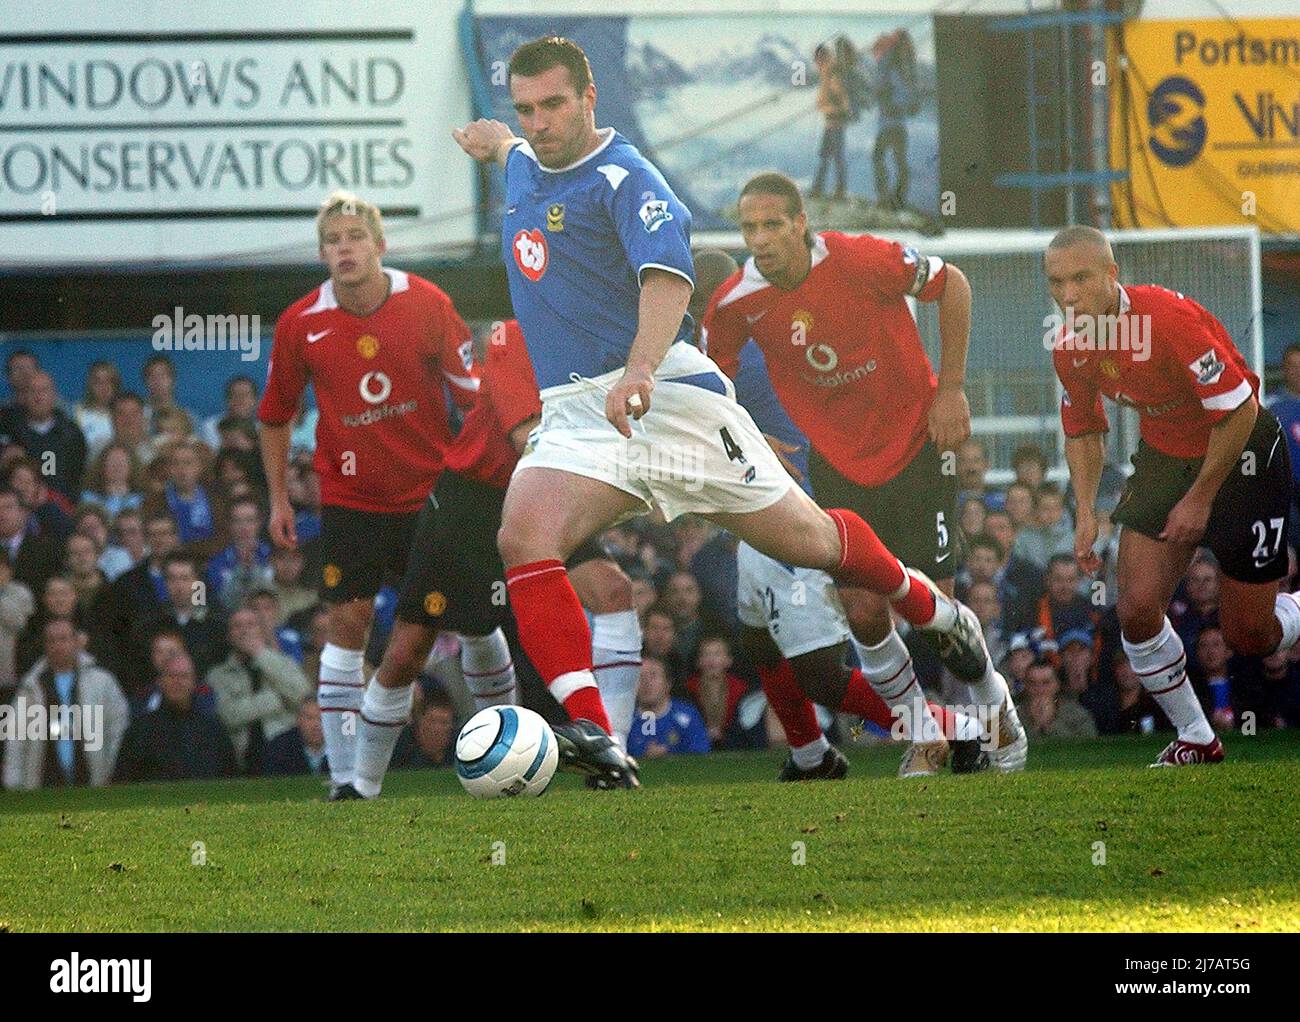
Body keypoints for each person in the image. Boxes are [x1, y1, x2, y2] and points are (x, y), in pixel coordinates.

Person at [454, 37, 1006, 785]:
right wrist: (495, 140)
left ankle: (933, 611)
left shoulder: (627, 177)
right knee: (523, 535)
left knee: (813, 542)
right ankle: (593, 733)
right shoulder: (524, 160)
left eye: (555, 103)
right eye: (527, 108)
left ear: (590, 98)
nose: (541, 121)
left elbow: (668, 280)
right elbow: (510, 147)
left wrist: (642, 368)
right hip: (581, 417)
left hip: (669, 399)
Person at [702, 172, 1024, 769]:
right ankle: (925, 737)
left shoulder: (857, 257)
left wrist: (950, 388)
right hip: (838, 464)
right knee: (864, 613)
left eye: (772, 224)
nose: (761, 238)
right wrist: (750, 437)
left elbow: (953, 284)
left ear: (800, 223)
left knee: (936, 616)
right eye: (749, 227)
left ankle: (993, 707)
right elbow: (710, 385)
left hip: (916, 445)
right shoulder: (734, 303)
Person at [1048, 224, 1300, 765]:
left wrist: (1201, 500)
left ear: (1112, 276)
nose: (1068, 295)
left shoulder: (1165, 320)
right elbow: (1086, 430)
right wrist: (1087, 512)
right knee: (1135, 611)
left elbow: (1239, 411)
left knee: (1250, 634)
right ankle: (1196, 736)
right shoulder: (1070, 348)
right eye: (1057, 282)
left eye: (1080, 279)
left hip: (1244, 453)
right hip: (1166, 461)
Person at [258, 189, 479, 800]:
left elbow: (474, 397)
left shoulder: (428, 303)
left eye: (355, 237)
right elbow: (274, 416)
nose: (344, 249)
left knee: (456, 630)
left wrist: (479, 480)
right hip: (351, 500)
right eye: (333, 241)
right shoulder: (301, 322)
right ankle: (345, 778)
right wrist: (279, 499)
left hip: (429, 500)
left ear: (380, 245)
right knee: (345, 624)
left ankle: (504, 746)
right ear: (323, 254)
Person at [3, 618, 129, 790]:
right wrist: (14, 783)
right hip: (43, 786)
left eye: (63, 639)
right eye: (52, 640)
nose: (58, 645)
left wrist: (112, 776)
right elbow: (16, 738)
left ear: (77, 641)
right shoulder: (31, 687)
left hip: (93, 784)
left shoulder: (102, 682)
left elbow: (117, 730)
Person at [206, 606, 313, 775]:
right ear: (229, 635)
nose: (244, 631)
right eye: (237, 626)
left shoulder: (285, 663)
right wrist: (278, 699)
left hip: (284, 753)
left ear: (263, 631)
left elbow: (302, 696)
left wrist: (260, 654)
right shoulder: (218, 675)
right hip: (240, 755)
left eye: (251, 625)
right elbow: (228, 716)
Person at [114, 652, 237, 782]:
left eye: (184, 676)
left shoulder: (213, 730)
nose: (177, 682)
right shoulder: (140, 730)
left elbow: (230, 779)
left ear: (194, 682)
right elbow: (123, 780)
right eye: (171, 676)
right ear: (160, 681)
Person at [626, 656, 710, 758]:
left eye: (653, 675)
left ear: (668, 683)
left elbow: (701, 753)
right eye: (640, 676)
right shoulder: (624, 720)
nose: (646, 682)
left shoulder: (688, 716)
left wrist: (670, 755)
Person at [871, 29, 918, 211]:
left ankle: (888, 199)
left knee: (880, 158)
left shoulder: (890, 65)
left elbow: (898, 91)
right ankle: (897, 199)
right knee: (898, 160)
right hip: (895, 123)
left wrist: (889, 101)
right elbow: (905, 93)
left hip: (890, 123)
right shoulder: (899, 64)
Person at [1018, 657, 1098, 739]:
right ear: (1025, 686)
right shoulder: (1014, 715)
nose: (1039, 689)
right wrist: (1034, 727)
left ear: (1057, 685)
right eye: (1032, 683)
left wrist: (1050, 726)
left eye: (1046, 683)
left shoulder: (1077, 714)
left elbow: (1088, 744)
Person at [810, 44, 850, 201]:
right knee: (826, 156)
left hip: (835, 123)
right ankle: (818, 189)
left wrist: (826, 107)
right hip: (830, 123)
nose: (817, 64)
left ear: (822, 58)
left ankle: (837, 192)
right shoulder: (828, 72)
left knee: (835, 158)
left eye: (818, 60)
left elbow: (843, 103)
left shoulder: (833, 73)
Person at [263, 697, 330, 777]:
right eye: (309, 718)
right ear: (298, 720)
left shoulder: (346, 748)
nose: (316, 725)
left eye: (322, 719)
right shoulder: (279, 748)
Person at [81, 441, 146, 520]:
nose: (117, 467)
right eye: (112, 462)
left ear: (132, 466)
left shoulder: (143, 499)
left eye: (122, 462)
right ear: (102, 466)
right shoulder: (89, 499)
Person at [74, 361, 122, 459]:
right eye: (98, 382)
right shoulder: (77, 413)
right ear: (90, 385)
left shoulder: (123, 413)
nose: (104, 387)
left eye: (109, 381)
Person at [201, 376, 259, 451]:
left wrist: (249, 448)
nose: (240, 399)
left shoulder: (262, 428)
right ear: (227, 400)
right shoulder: (211, 426)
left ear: (255, 401)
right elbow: (207, 458)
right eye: (235, 395)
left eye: (245, 395)